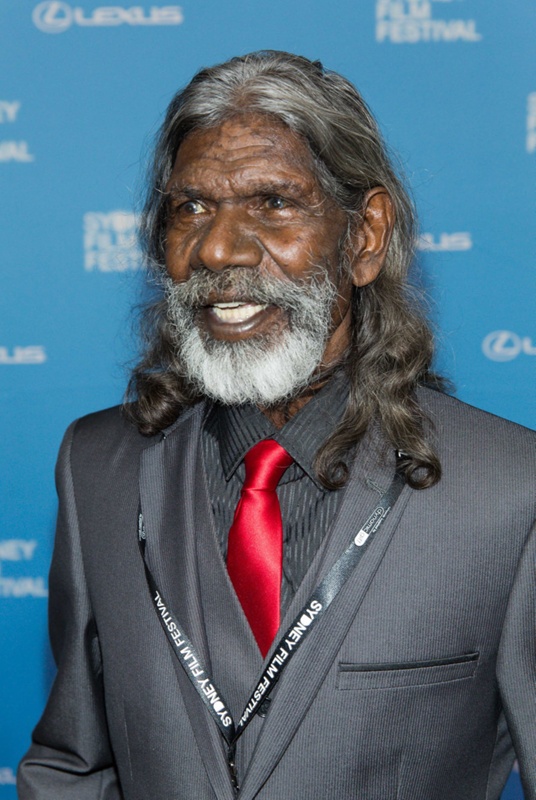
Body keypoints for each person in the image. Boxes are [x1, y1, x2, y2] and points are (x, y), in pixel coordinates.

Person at [18, 51, 535, 800]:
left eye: (271, 203)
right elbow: (71, 766)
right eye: (191, 207)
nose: (219, 249)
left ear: (363, 239)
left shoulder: (510, 491)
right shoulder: (98, 467)